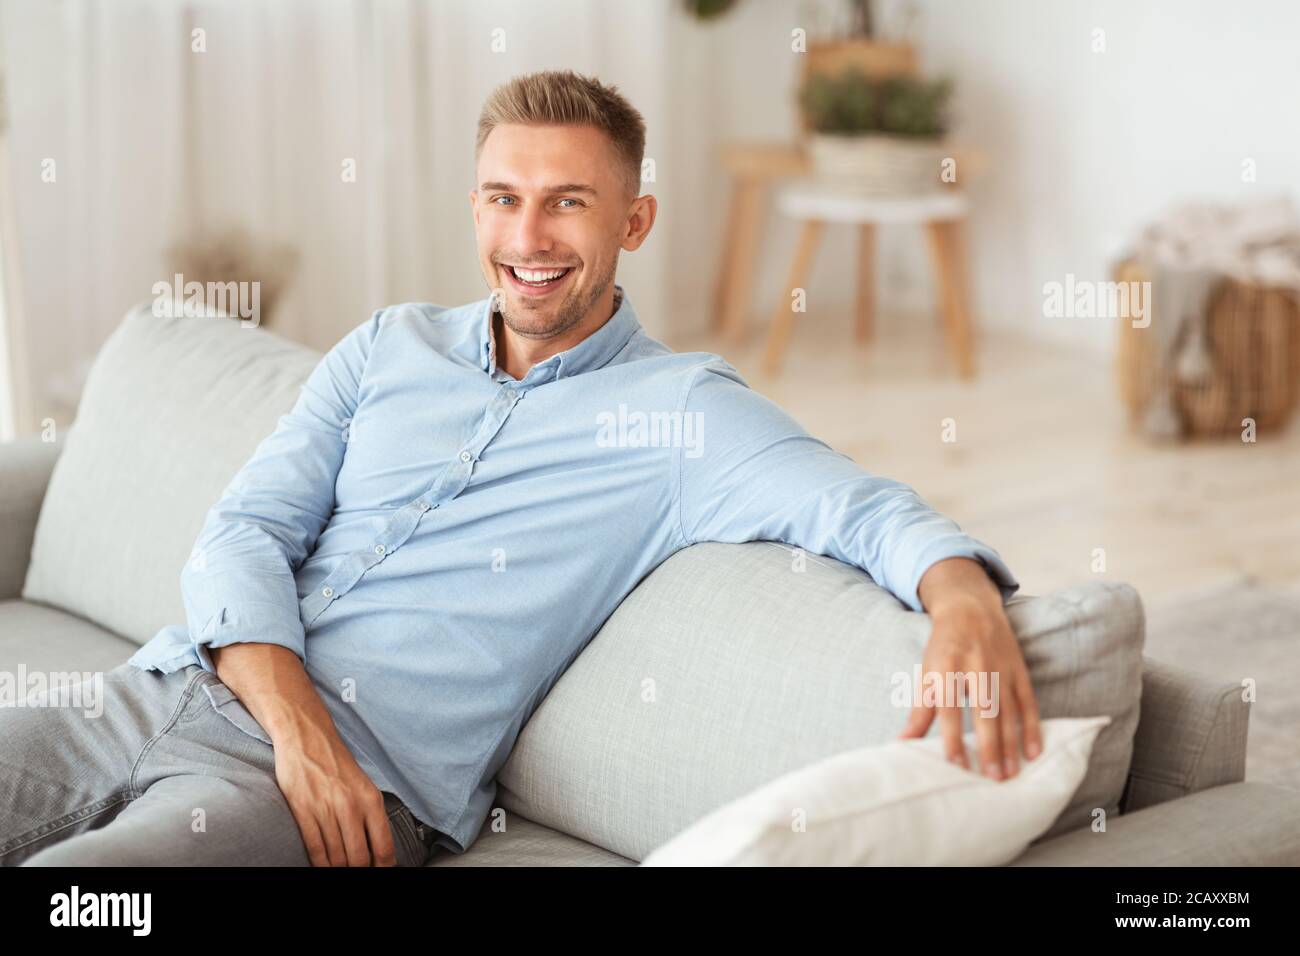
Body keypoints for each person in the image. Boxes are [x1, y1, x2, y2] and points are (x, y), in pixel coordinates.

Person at [0, 70, 1039, 868]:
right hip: (163, 687)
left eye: (567, 203)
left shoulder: (681, 413)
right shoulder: (384, 346)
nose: (527, 236)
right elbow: (243, 530)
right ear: (475, 208)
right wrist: (295, 723)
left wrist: (961, 598)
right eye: (503, 198)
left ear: (634, 221)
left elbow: (854, 507)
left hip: (332, 793)